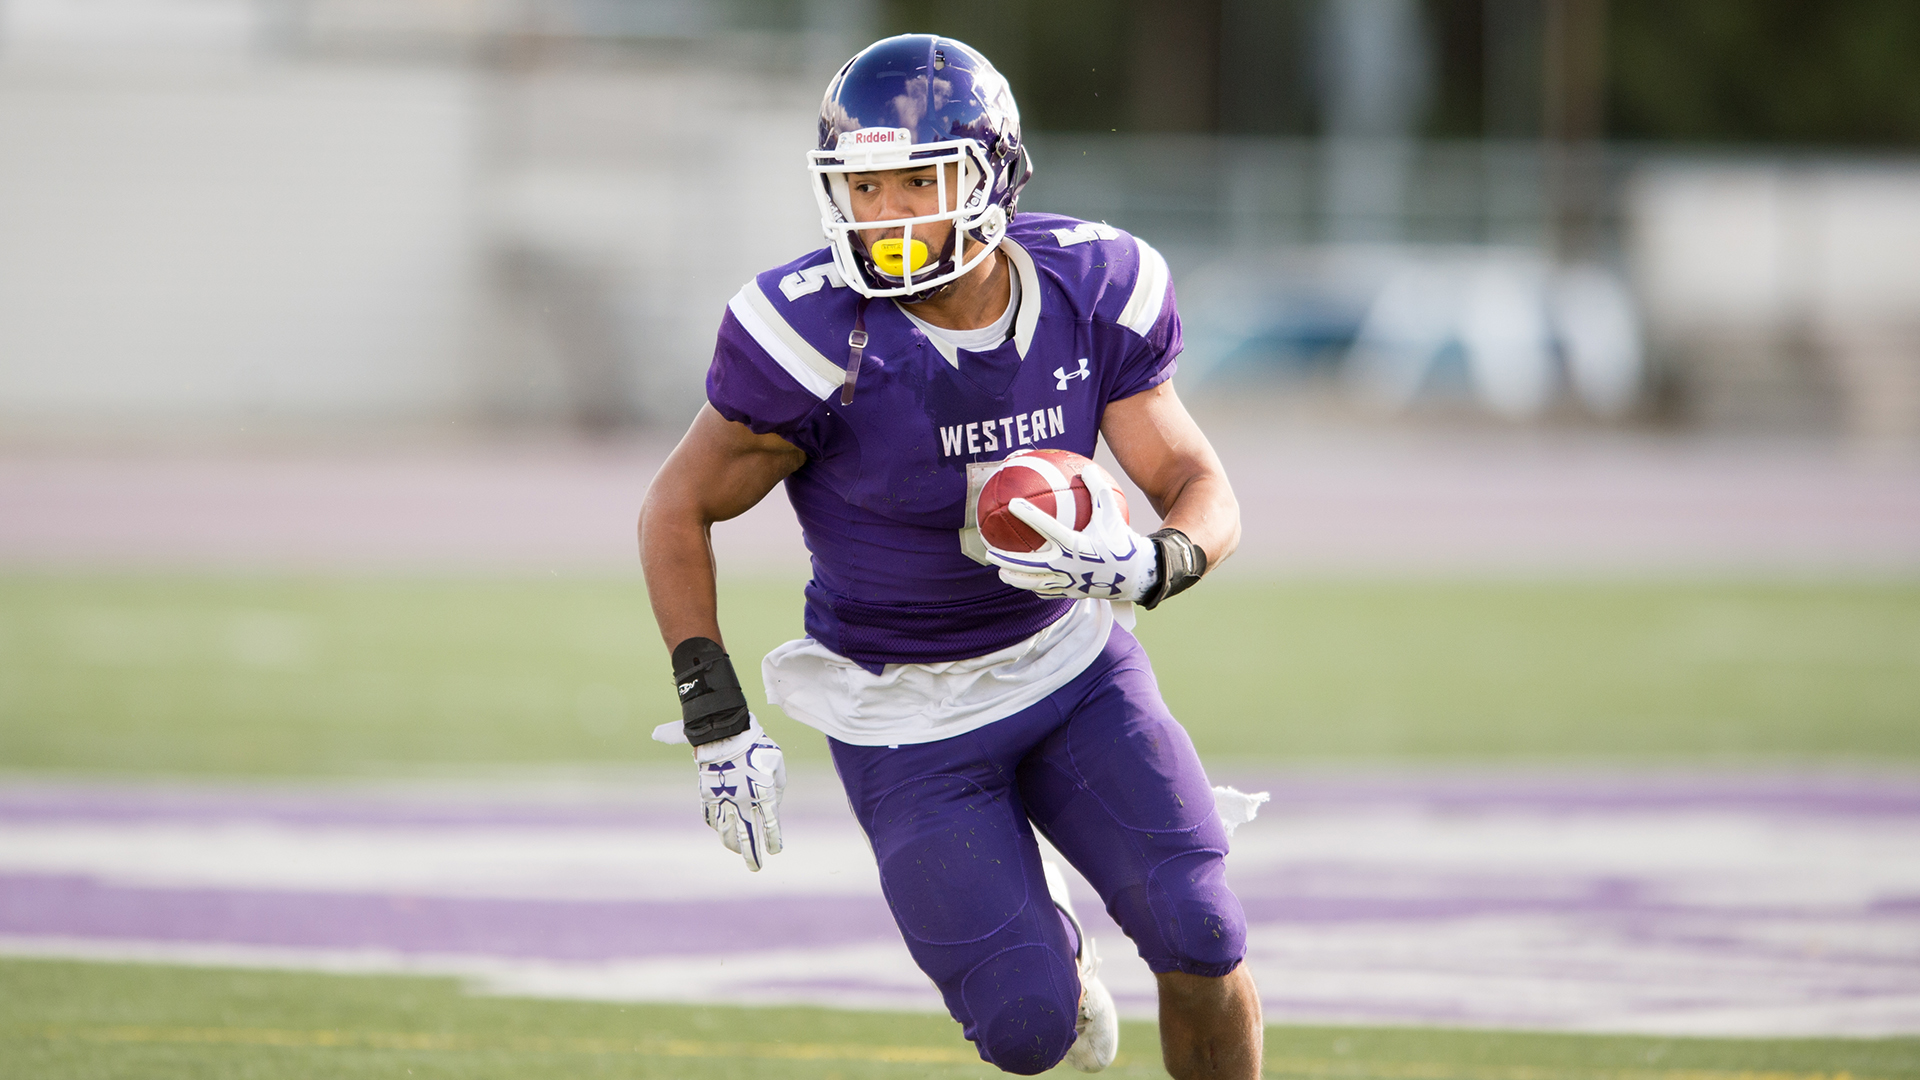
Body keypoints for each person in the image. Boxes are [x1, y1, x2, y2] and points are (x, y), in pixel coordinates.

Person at [638, 33, 1262, 1078]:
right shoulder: (811, 337)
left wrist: (1162, 562)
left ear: (995, 174)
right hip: (905, 711)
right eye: (865, 187)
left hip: (1071, 671)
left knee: (1201, 931)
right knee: (1027, 1031)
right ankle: (1053, 948)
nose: (887, 217)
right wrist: (716, 718)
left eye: (917, 182)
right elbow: (676, 507)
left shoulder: (1091, 284)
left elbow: (1200, 486)